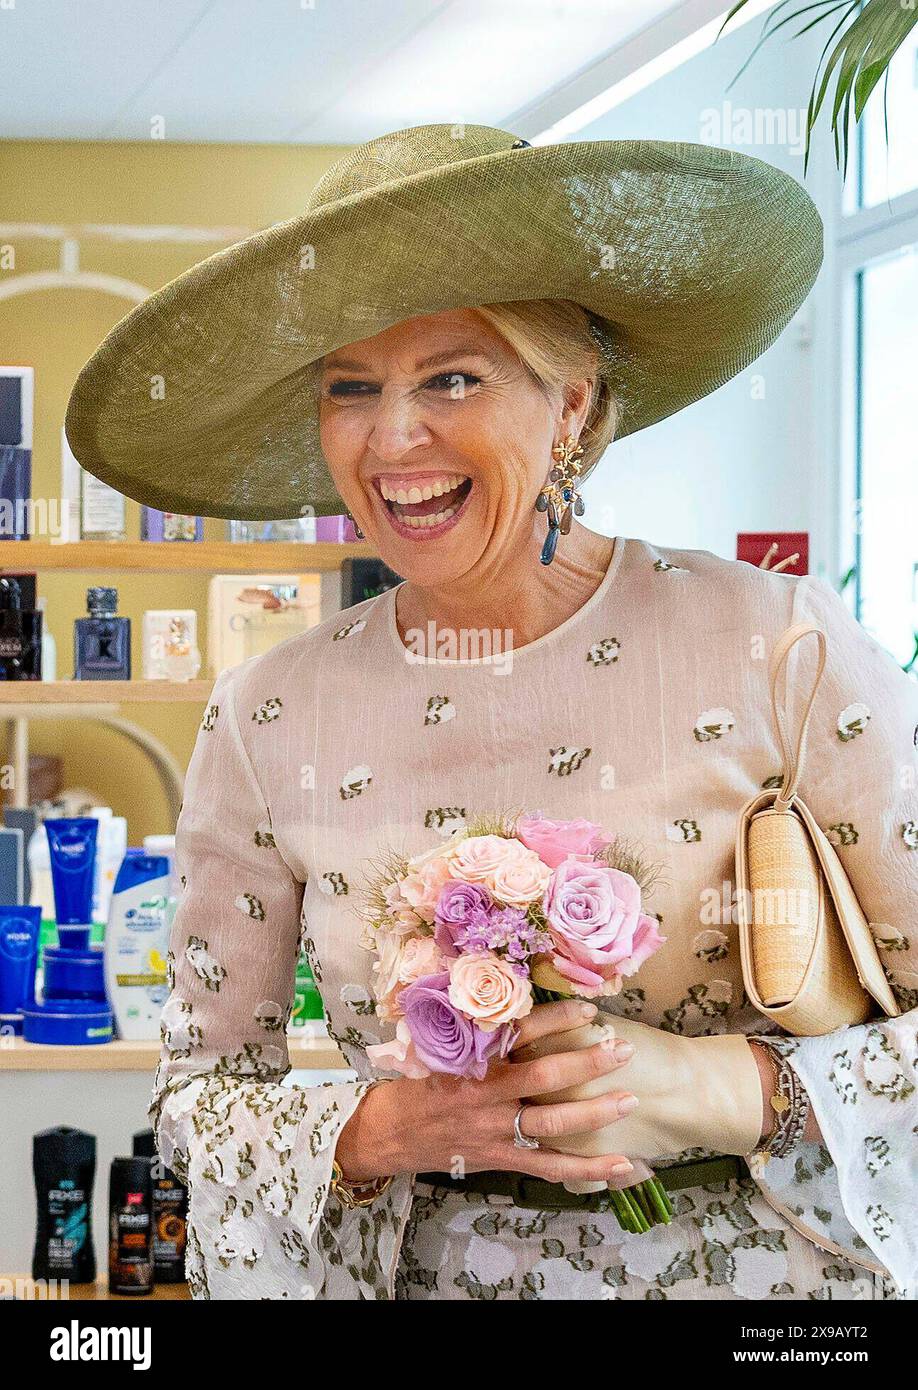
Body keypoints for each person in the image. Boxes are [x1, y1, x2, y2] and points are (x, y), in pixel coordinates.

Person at [65, 124, 917, 1300]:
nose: (392, 438)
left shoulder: (779, 643)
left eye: (452, 377)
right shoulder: (269, 710)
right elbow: (199, 1097)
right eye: (349, 388)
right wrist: (383, 1130)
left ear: (570, 405)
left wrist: (717, 1086)